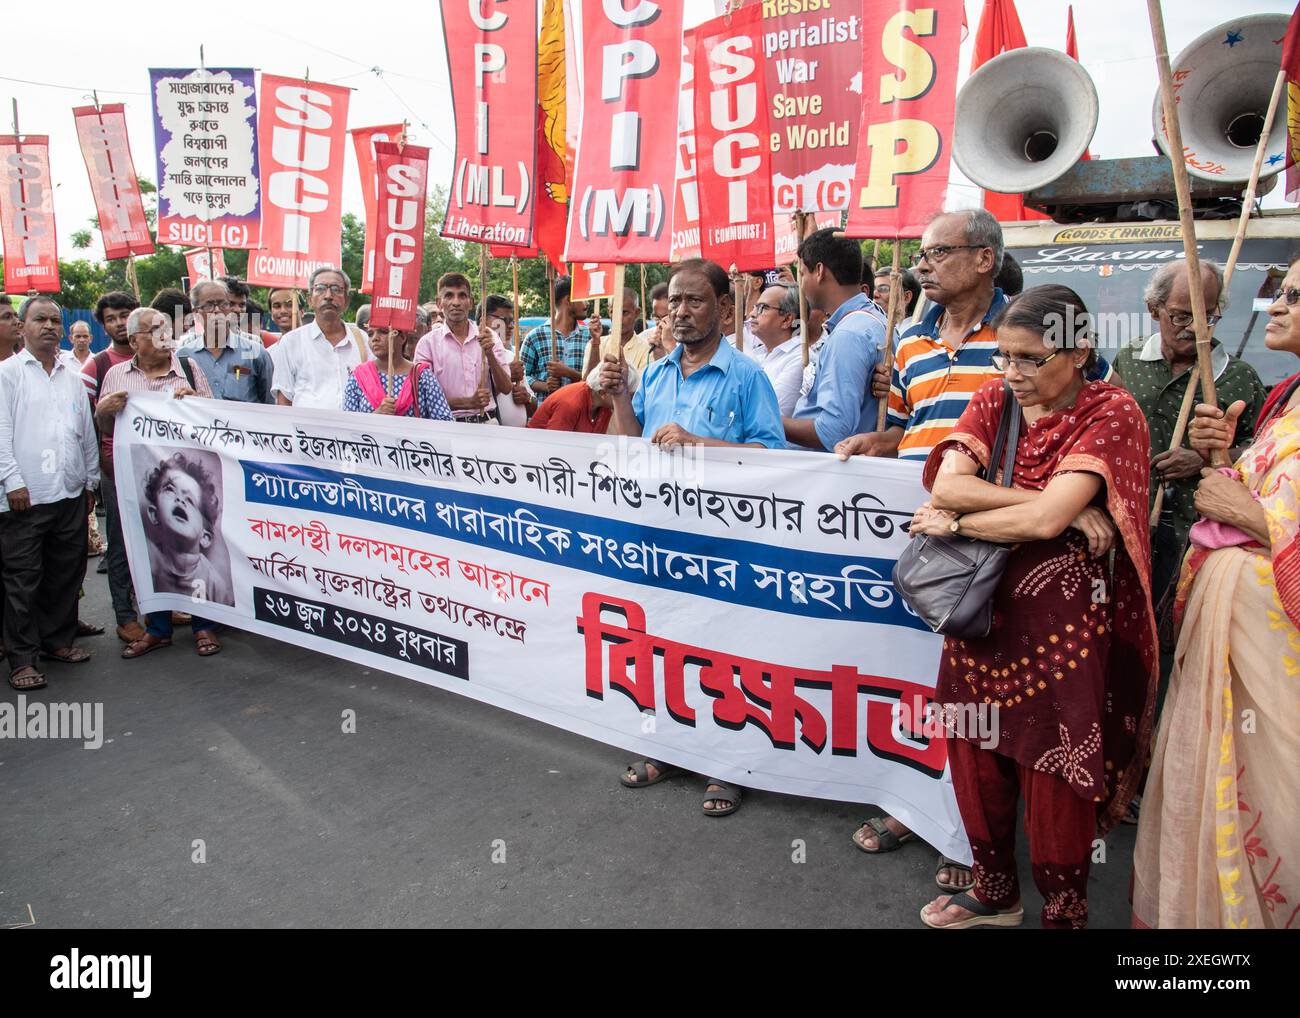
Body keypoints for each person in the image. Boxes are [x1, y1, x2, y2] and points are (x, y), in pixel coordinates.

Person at [907, 285, 1156, 929]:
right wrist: (1054, 508)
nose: (1013, 374)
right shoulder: (997, 398)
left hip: (1064, 631)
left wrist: (955, 523)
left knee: (1056, 768)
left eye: (1030, 359)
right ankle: (996, 895)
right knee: (974, 752)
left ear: (1079, 352)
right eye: (1005, 357)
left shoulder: (1113, 414)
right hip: (979, 615)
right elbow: (949, 482)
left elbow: (1042, 521)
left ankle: (1065, 912)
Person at [1131, 255, 1300, 929]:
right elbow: (1245, 493)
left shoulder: (1251, 377)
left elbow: (1253, 514)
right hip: (1222, 634)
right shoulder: (1284, 398)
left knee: (1276, 815)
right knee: (1215, 797)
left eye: (1293, 296)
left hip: (1277, 667)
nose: (1277, 307)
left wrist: (1245, 510)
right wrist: (1224, 457)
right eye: (1281, 292)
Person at [601, 257, 785, 817]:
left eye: (694, 301)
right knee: (664, 645)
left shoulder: (748, 377)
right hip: (659, 534)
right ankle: (671, 748)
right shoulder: (654, 373)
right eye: (674, 301)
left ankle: (728, 764)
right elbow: (630, 447)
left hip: (722, 543)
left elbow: (772, 457)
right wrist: (616, 399)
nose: (679, 312)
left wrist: (698, 442)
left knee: (725, 654)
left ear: (725, 310)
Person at [1112, 259, 1266, 613]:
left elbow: (1261, 453)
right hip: (1132, 524)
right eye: (1181, 316)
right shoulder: (1130, 359)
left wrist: (1202, 458)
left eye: (1207, 315)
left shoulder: (1238, 376)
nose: (1195, 326)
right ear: (1155, 310)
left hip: (1198, 533)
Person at [95, 307, 218, 659]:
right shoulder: (118, 376)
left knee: (193, 552)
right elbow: (105, 428)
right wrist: (105, 411)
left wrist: (196, 405)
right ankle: (158, 627)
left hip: (186, 485)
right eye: (155, 331)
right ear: (135, 340)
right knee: (147, 551)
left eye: (168, 330)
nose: (165, 338)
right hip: (140, 482)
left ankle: (203, 625)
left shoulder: (189, 371)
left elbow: (214, 425)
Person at [0, 297, 100, 690]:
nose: (49, 326)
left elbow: (85, 433)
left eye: (55, 320)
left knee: (66, 572)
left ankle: (58, 641)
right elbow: (2, 433)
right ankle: (22, 658)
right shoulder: (8, 374)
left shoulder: (71, 376)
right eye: (39, 319)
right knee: (22, 579)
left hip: (70, 491)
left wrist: (90, 481)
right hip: (25, 496)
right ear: (22, 326)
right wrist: (12, 481)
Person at [784, 228, 886, 452]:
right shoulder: (873, 321)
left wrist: (766, 420)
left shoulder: (849, 335)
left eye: (802, 274)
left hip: (824, 476)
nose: (800, 285)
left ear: (819, 271)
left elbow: (832, 432)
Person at [82, 290, 143, 633]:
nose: (120, 323)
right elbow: (85, 422)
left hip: (155, 470)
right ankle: (126, 616)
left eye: (125, 314)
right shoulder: (98, 365)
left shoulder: (164, 358)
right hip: (115, 469)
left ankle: (162, 606)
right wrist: (100, 469)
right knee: (120, 543)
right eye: (111, 318)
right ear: (103, 325)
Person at [412, 273, 513, 423]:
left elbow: (506, 388)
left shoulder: (488, 336)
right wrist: (468, 403)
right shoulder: (427, 344)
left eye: (462, 296)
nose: (456, 302)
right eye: (449, 296)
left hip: (487, 424)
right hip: (447, 426)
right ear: (439, 303)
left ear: (471, 302)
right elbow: (422, 397)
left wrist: (489, 354)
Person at [271, 266, 369, 409]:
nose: (328, 295)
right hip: (305, 430)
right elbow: (284, 401)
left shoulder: (362, 340)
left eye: (336, 289)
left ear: (346, 301)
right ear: (310, 299)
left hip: (353, 430)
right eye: (321, 288)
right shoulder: (291, 342)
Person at [344, 308, 453, 420]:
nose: (375, 338)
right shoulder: (358, 377)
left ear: (402, 337)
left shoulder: (422, 377)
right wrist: (376, 416)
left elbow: (444, 421)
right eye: (370, 334)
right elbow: (348, 425)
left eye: (383, 332)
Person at [179, 280, 275, 404]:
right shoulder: (183, 355)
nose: (217, 310)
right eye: (208, 306)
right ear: (196, 313)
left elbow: (269, 404)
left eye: (223, 304)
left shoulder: (256, 353)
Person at [521, 276, 591, 402]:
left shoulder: (590, 337)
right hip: (546, 416)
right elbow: (522, 377)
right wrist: (544, 386)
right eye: (583, 298)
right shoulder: (535, 336)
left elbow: (595, 379)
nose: (587, 303)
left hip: (579, 414)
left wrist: (568, 373)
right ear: (569, 300)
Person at [746, 283, 804, 416]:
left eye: (763, 308)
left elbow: (768, 413)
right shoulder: (757, 352)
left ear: (787, 319)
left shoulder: (799, 359)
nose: (752, 314)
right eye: (755, 307)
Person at [527, 363, 633, 434]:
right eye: (626, 393)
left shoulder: (605, 407)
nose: (629, 399)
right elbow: (554, 446)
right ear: (603, 393)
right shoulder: (570, 404)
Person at [581, 287, 649, 377]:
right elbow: (587, 383)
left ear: (636, 313)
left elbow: (642, 386)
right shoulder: (595, 344)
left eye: (624, 312)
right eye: (613, 312)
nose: (618, 318)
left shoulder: (646, 349)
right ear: (609, 313)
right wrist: (595, 343)